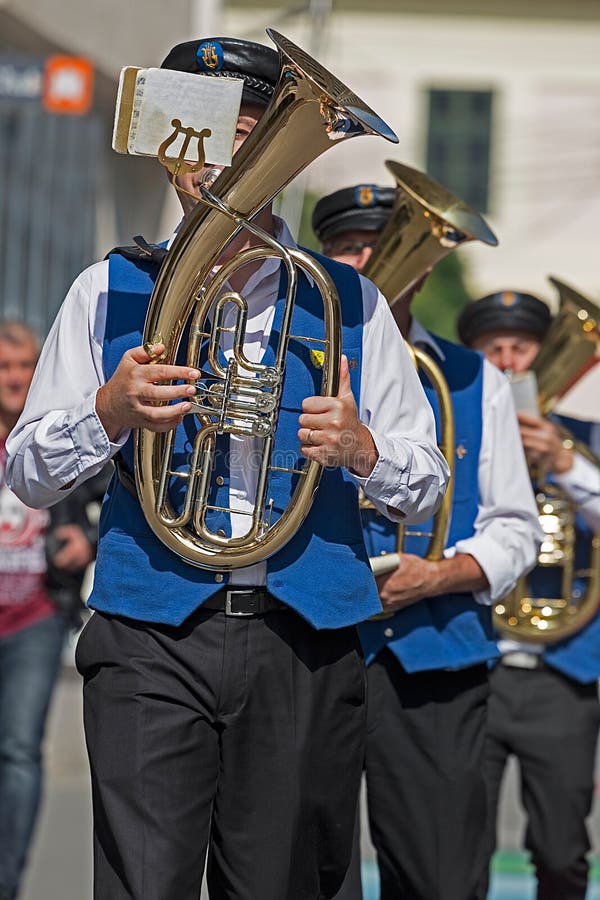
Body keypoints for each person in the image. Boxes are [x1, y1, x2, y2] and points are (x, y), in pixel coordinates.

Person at [6, 38, 450, 900]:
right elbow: (25, 470)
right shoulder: (106, 289)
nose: (219, 162)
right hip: (149, 633)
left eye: (245, 135)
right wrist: (107, 415)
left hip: (303, 638)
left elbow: (425, 477)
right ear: (170, 152)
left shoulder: (349, 299)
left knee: (282, 885)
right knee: (142, 885)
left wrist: (363, 451)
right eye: (197, 136)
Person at [312, 184, 541, 900]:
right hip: (315, 644)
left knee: (442, 875)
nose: (367, 265)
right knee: (310, 869)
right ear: (323, 257)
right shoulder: (289, 356)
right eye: (349, 250)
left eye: (386, 250)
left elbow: (516, 527)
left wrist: (436, 576)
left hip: (434, 654)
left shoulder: (474, 378)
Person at [458, 290, 600, 900]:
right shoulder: (455, 433)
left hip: (562, 675)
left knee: (563, 849)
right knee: (458, 845)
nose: (511, 361)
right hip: (474, 662)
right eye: (495, 349)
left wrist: (565, 465)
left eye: (523, 348)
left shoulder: (585, 438)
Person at [0, 320, 108, 900]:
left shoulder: (56, 439)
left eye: (24, 367)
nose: (15, 379)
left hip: (37, 617)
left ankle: (7, 880)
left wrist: (86, 543)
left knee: (17, 750)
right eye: (4, 368)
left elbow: (112, 494)